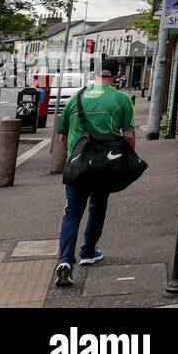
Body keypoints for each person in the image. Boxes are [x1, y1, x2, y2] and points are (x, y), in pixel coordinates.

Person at [53, 58, 135, 287]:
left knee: (72, 212)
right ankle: (88, 251)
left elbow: (62, 136)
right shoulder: (121, 99)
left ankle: (65, 262)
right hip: (104, 166)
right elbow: (128, 135)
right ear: (117, 76)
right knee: (98, 207)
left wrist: (73, 156)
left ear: (94, 74)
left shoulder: (75, 98)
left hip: (77, 166)